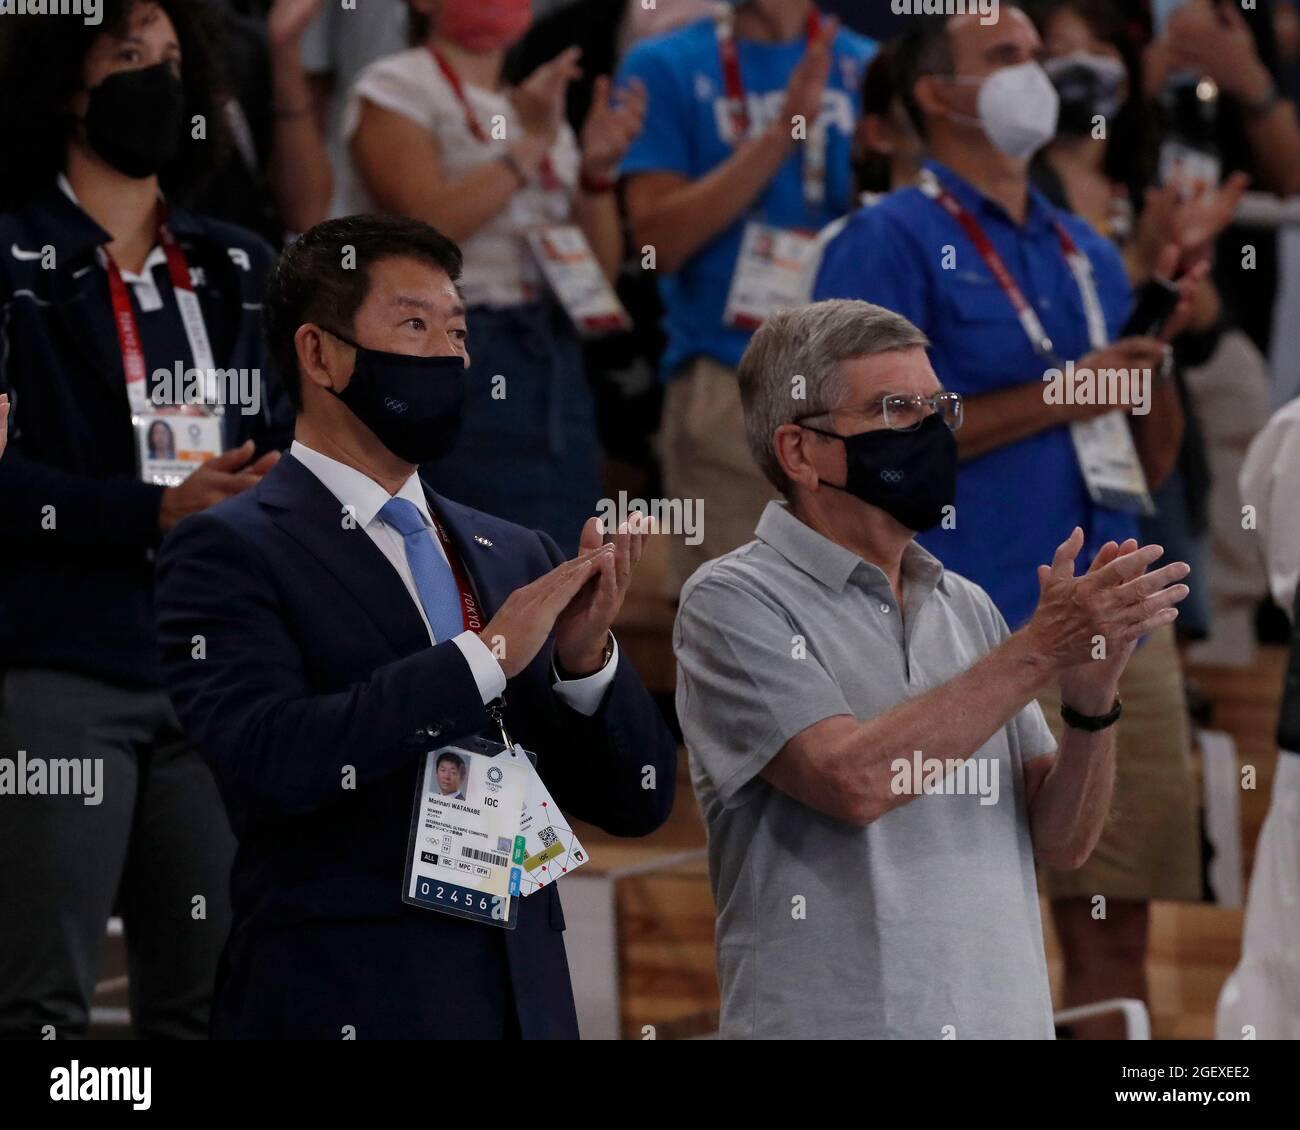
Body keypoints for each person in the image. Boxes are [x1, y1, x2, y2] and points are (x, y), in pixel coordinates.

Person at [154, 214, 678, 1039]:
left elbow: (638, 804)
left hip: (523, 997)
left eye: (458, 330)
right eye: (413, 324)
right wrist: (482, 658)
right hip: (346, 999)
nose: (446, 352)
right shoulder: (228, 548)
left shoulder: (513, 551)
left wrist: (586, 666)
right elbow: (271, 760)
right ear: (319, 354)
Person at [813, 7, 1206, 1038]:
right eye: (1008, 58)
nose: (1040, 74)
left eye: (1037, 54)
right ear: (936, 95)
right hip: (959, 621)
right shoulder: (884, 238)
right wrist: (1067, 387)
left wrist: (1148, 340)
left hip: (1119, 616)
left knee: (1115, 923)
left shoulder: (1086, 249)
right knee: (956, 925)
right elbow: (865, 446)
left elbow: (1149, 457)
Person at [673, 299, 1191, 1039]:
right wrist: (1041, 646)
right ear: (801, 451)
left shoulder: (967, 604)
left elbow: (1062, 842)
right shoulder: (733, 601)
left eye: (937, 407)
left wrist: (1089, 704)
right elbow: (852, 781)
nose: (930, 431)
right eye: (894, 409)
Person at [0, 0, 292, 1039]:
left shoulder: (240, 266)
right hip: (57, 668)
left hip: (212, 679)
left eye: (173, 60)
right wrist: (150, 508)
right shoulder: (12, 257)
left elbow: (283, 452)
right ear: (66, 87)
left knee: (209, 1003)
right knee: (41, 1004)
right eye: (129, 58)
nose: (158, 82)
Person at [340, 0, 645, 554]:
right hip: (449, 344)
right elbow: (423, 228)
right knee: (463, 557)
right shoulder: (396, 84)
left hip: (549, 352)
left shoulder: (530, 105)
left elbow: (595, 273)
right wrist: (527, 145)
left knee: (559, 559)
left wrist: (597, 178)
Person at [617, 0, 876, 596]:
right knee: (734, 617)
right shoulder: (664, 64)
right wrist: (782, 130)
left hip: (857, 384)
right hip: (728, 381)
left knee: (862, 616)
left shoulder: (867, 65)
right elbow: (658, 242)